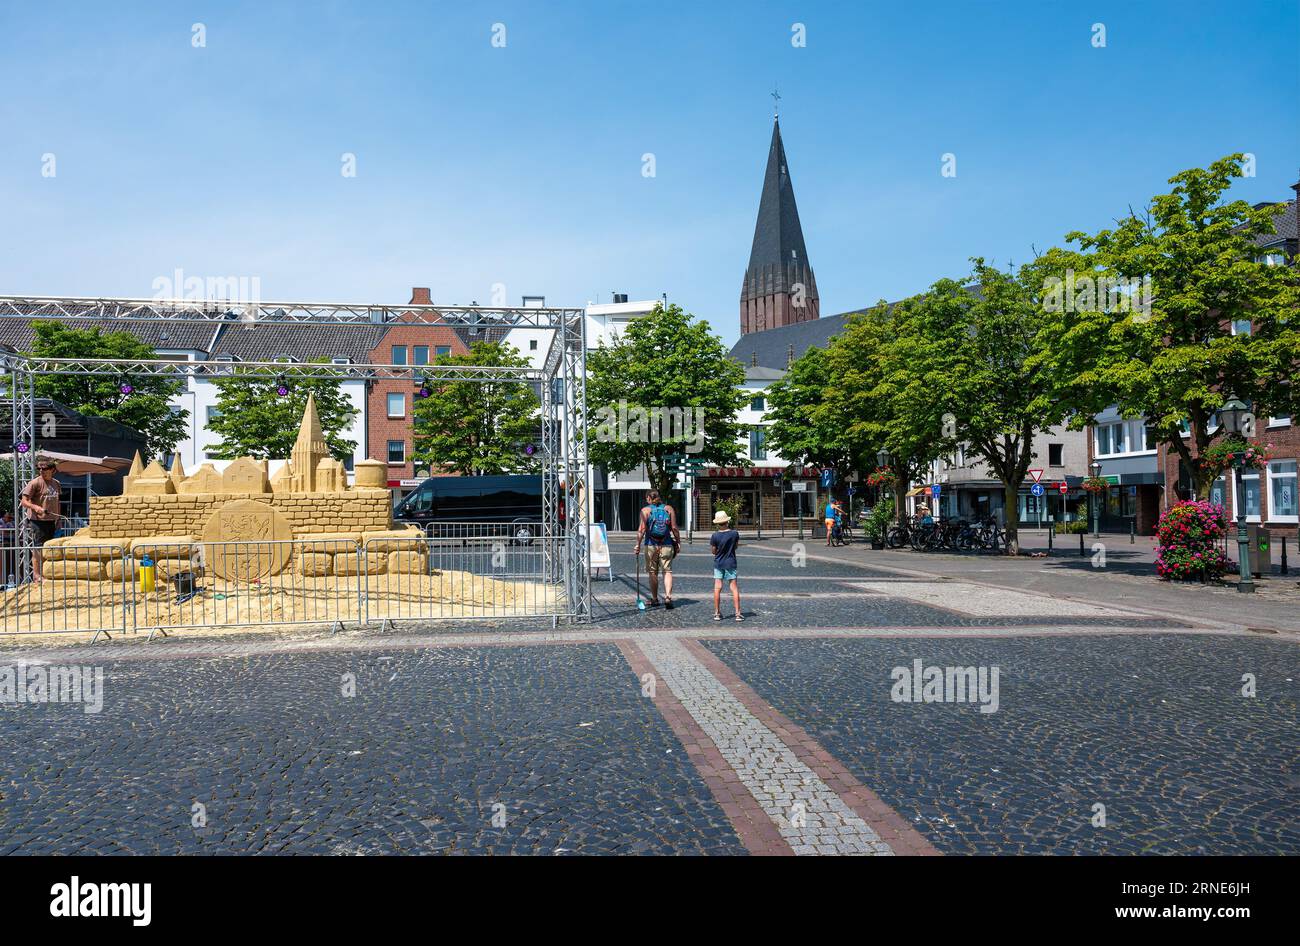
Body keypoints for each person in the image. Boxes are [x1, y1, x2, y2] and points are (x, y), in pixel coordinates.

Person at [633, 489, 680, 609]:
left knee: (653, 572)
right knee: (667, 571)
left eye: (646, 498)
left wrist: (637, 544)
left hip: (651, 545)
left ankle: (654, 599)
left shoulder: (645, 511)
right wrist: (678, 542)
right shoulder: (669, 509)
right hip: (667, 544)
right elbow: (674, 528)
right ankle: (668, 597)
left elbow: (642, 530)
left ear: (649, 498)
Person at [19, 460, 62, 582]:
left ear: (52, 470)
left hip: (52, 520)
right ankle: (37, 576)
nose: (41, 471)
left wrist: (58, 518)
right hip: (38, 520)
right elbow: (24, 501)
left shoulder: (56, 483)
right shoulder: (35, 483)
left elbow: (57, 501)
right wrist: (36, 507)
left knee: (50, 548)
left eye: (45, 469)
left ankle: (47, 573)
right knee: (39, 548)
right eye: (40, 469)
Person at [710, 510, 742, 622]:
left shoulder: (715, 536)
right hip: (731, 562)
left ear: (718, 523)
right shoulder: (734, 534)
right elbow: (736, 547)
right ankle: (738, 614)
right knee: (734, 588)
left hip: (718, 563)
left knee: (717, 588)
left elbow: (713, 551)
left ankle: (717, 613)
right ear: (727, 521)